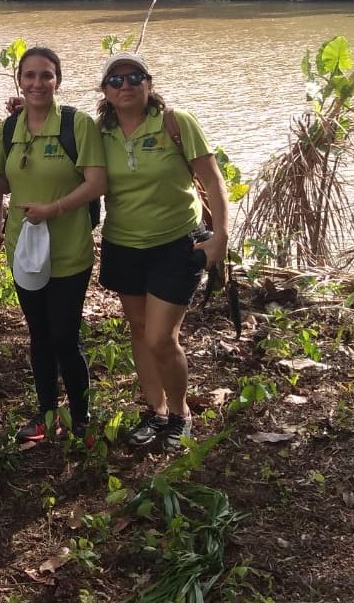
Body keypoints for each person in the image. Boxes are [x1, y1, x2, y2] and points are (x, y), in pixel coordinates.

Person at [0, 46, 106, 443]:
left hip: (69, 250)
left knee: (65, 337)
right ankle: (46, 415)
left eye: (47, 75)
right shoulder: (10, 128)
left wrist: (54, 208)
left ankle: (81, 419)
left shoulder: (78, 125)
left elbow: (96, 183)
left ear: (58, 80)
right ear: (19, 80)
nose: (38, 83)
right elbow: (4, 181)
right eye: (30, 76)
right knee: (38, 335)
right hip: (24, 249)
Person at [94, 51, 228, 453]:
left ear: (149, 84)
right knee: (138, 330)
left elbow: (212, 178)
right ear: (105, 91)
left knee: (160, 338)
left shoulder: (175, 122)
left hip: (176, 243)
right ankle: (156, 411)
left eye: (134, 77)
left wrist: (220, 236)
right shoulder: (99, 132)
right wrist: (19, 110)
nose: (126, 85)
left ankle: (181, 414)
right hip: (123, 242)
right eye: (115, 80)